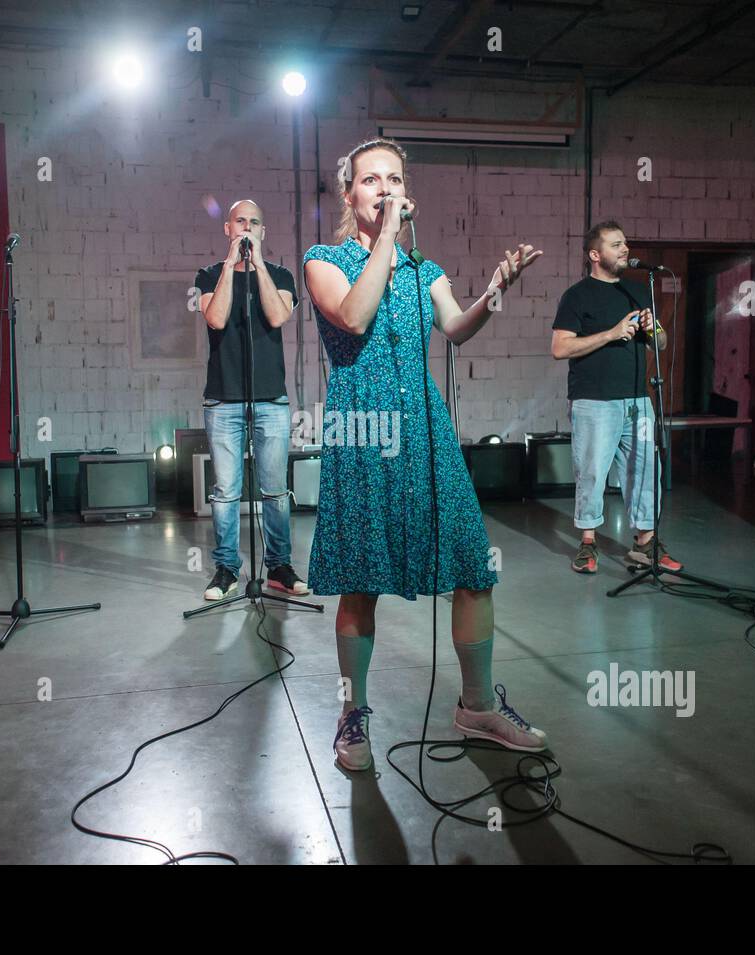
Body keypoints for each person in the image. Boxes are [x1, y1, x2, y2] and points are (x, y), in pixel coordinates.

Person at [303, 137, 547, 772]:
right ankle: (352, 719)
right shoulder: (323, 260)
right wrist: (387, 238)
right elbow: (354, 318)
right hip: (361, 428)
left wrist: (494, 289)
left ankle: (476, 706)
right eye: (370, 180)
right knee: (361, 581)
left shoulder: (424, 271)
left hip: (424, 428)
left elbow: (457, 327)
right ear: (349, 193)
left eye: (394, 179)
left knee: (470, 564)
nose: (383, 188)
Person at [550, 221, 682, 576]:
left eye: (624, 243)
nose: (624, 250)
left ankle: (644, 543)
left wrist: (653, 326)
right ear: (595, 255)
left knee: (644, 473)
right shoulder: (577, 296)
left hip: (638, 400)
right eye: (615, 245)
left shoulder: (637, 292)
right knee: (591, 473)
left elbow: (662, 342)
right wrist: (610, 333)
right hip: (594, 401)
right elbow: (560, 347)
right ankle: (588, 543)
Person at [195, 199, 309, 600]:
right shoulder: (209, 275)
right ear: (228, 229)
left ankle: (278, 566)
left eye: (254, 222)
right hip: (223, 398)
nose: (247, 228)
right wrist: (230, 265)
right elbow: (216, 318)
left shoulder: (280, 274)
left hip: (270, 399)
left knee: (275, 489)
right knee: (226, 491)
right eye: (240, 221)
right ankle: (226, 569)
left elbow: (277, 316)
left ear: (264, 232)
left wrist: (257, 264)